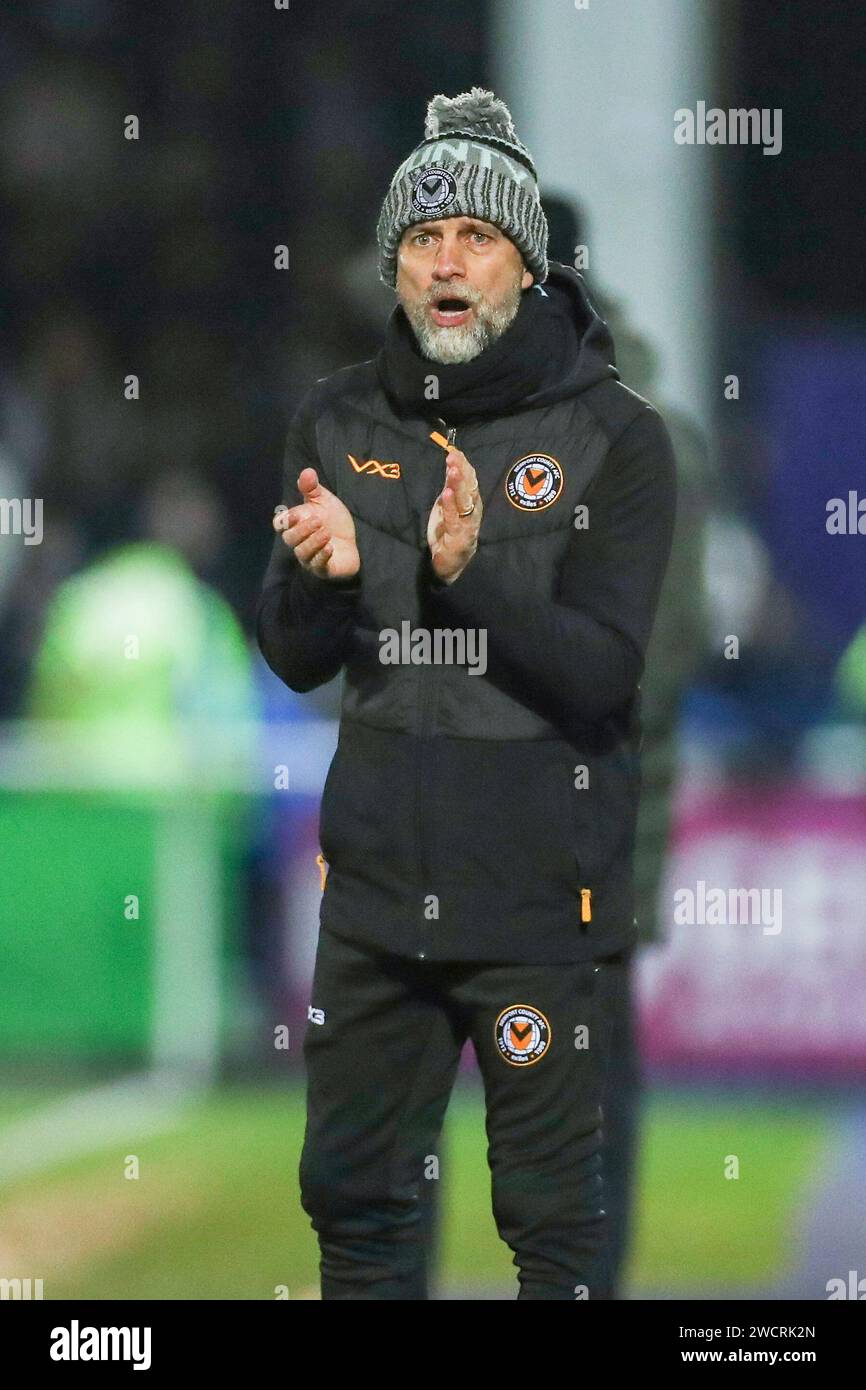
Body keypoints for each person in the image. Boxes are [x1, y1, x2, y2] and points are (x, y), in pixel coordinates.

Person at [257, 87, 677, 1300]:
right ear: (392, 267)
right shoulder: (335, 418)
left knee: (553, 1239)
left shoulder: (616, 438)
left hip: (541, 912)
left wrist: (461, 576)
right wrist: (330, 581)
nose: (445, 262)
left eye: (476, 238)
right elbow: (291, 653)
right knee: (357, 1214)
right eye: (421, 240)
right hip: (376, 908)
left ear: (525, 266)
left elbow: (602, 673)